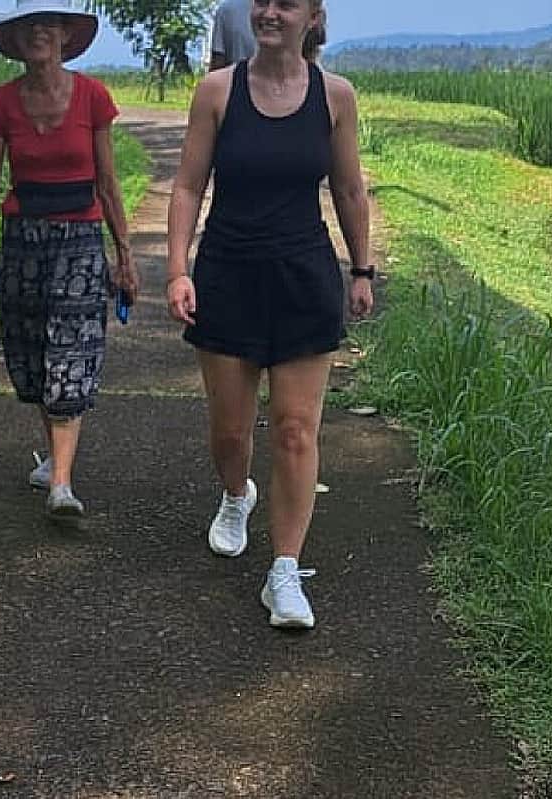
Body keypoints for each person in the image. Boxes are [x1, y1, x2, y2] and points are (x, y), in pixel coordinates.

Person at [166, 0, 373, 629]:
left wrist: (361, 270)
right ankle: (237, 495)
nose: (269, 14)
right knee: (231, 434)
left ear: (313, 16)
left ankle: (284, 571)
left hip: (303, 277)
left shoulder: (335, 97)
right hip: (227, 276)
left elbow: (348, 188)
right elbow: (186, 185)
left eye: (285, 4)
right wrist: (177, 268)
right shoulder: (216, 92)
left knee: (294, 430)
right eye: (262, 2)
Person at [0, 0, 138, 523]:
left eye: (49, 23)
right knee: (32, 358)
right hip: (22, 241)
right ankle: (54, 459)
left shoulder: (92, 96)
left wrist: (124, 254)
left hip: (79, 240)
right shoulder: (2, 103)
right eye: (29, 25)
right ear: (16, 38)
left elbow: (109, 183)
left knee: (71, 353)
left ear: (68, 35)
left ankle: (62, 485)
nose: (40, 33)